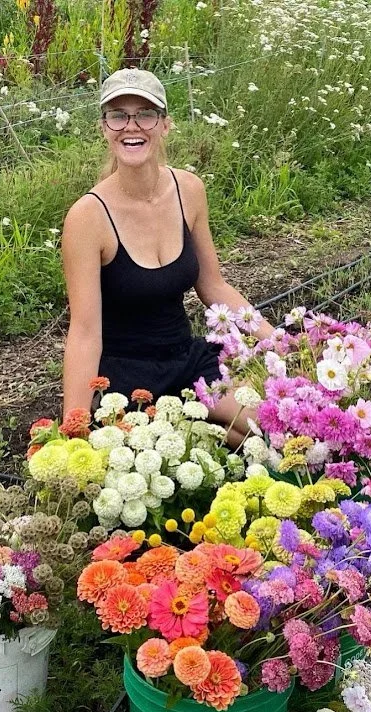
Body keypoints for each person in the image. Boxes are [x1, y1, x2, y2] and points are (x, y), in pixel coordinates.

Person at [61, 68, 273, 440]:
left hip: (186, 360)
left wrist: (279, 343)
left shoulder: (189, 190)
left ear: (164, 125)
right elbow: (84, 332)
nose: (132, 126)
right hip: (127, 378)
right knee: (218, 452)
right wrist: (73, 431)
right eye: (118, 115)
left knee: (269, 434)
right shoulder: (88, 217)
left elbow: (213, 286)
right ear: (104, 128)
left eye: (145, 114)